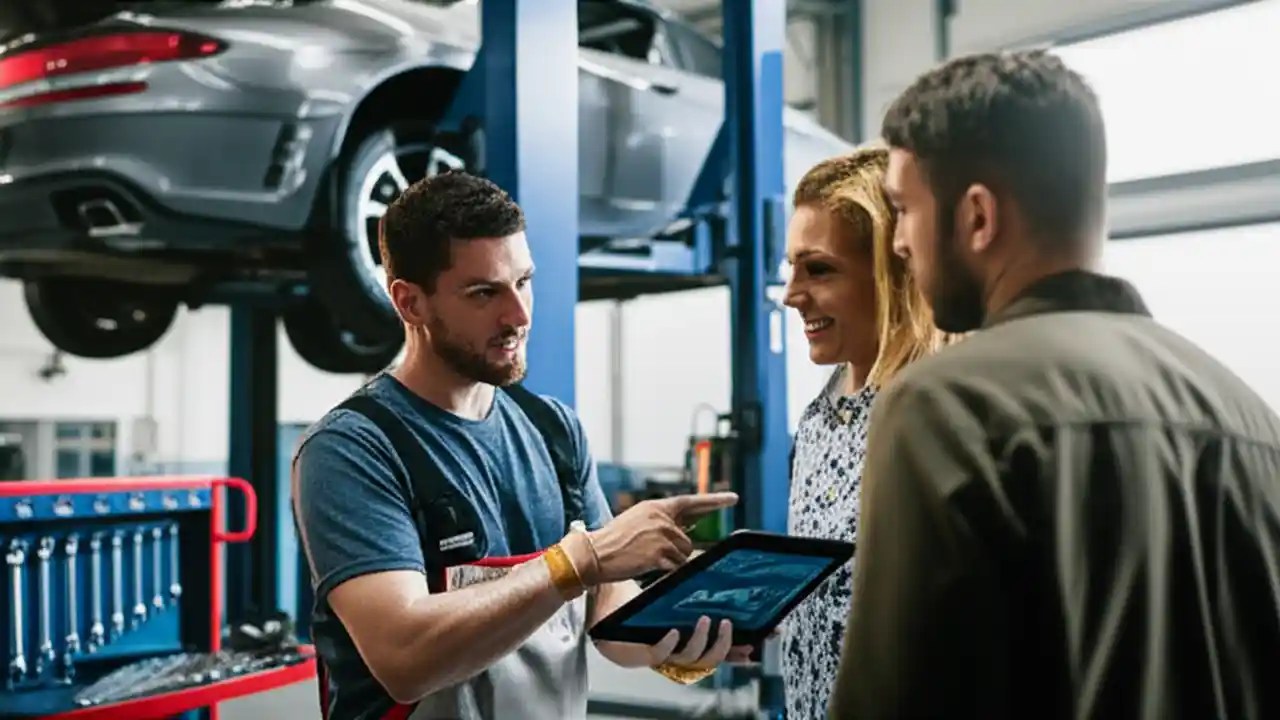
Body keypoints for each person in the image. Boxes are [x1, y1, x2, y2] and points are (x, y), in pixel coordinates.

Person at [829, 49, 1280, 719]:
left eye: (904, 209)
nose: (897, 244)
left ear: (977, 216)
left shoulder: (948, 406)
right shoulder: (1249, 417)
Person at [291, 171, 752, 720]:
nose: (519, 315)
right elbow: (403, 657)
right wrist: (578, 561)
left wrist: (674, 634)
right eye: (484, 292)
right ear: (409, 302)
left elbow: (607, 616)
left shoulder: (554, 432)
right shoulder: (353, 449)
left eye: (524, 281)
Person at [777, 145, 947, 720]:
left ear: (894, 270)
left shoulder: (941, 417)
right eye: (791, 267)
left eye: (818, 269)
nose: (791, 294)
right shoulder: (817, 421)